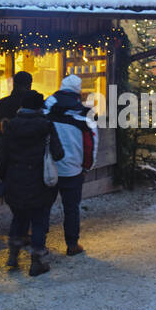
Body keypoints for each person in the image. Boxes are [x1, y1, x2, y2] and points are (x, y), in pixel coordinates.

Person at [0, 90, 63, 276]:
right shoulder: (46, 126)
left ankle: (14, 255)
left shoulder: (10, 126)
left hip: (15, 181)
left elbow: (1, 158)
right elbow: (59, 154)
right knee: (39, 220)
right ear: (39, 106)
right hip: (39, 182)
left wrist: (5, 178)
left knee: (19, 217)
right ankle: (37, 261)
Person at [45, 74, 96, 256]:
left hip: (49, 168)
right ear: (78, 90)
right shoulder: (85, 114)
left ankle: (40, 243)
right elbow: (91, 145)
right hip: (73, 169)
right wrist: (86, 167)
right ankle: (72, 245)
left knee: (43, 206)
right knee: (71, 208)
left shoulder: (46, 106)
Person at [0, 70, 33, 147]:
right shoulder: (34, 106)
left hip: (6, 155)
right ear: (29, 86)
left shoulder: (0, 105)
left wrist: (2, 146)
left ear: (14, 84)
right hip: (30, 156)